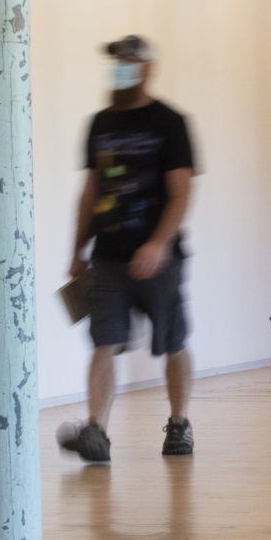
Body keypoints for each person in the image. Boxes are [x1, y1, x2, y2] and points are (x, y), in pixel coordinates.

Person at [58, 35, 197, 463]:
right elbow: (89, 193)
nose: (120, 67)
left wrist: (157, 244)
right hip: (109, 258)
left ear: (147, 67)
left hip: (160, 261)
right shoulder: (100, 124)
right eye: (115, 61)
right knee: (104, 342)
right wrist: (78, 250)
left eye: (128, 60)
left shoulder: (170, 122)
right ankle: (96, 431)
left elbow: (180, 193)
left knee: (172, 342)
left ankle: (179, 424)